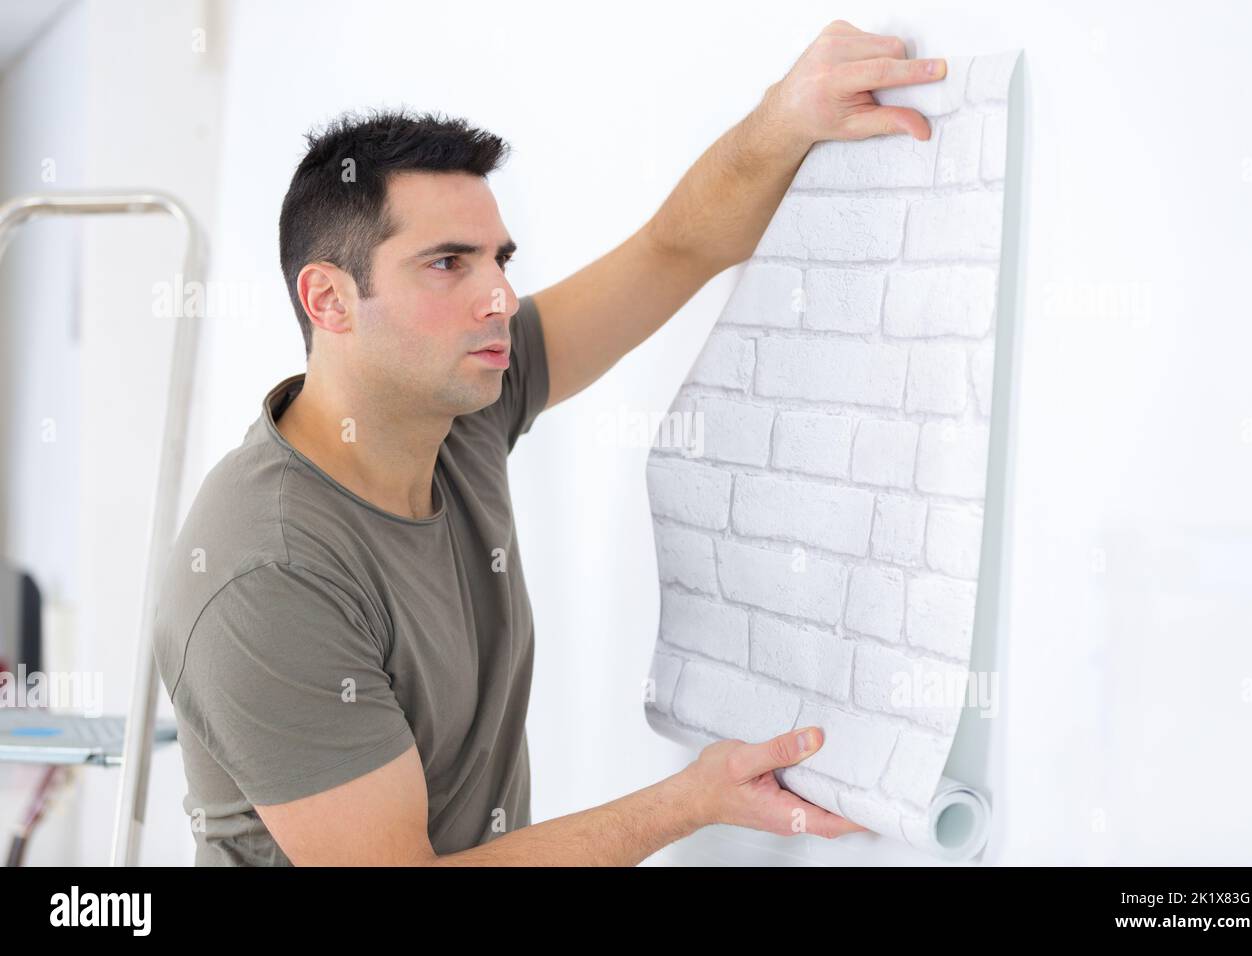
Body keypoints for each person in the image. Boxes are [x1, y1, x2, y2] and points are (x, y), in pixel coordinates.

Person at [152, 19, 947, 866]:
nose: (499, 296)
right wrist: (689, 803)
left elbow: (673, 248)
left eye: (499, 259)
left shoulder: (463, 404)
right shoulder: (268, 572)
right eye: (448, 264)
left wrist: (785, 117)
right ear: (330, 299)